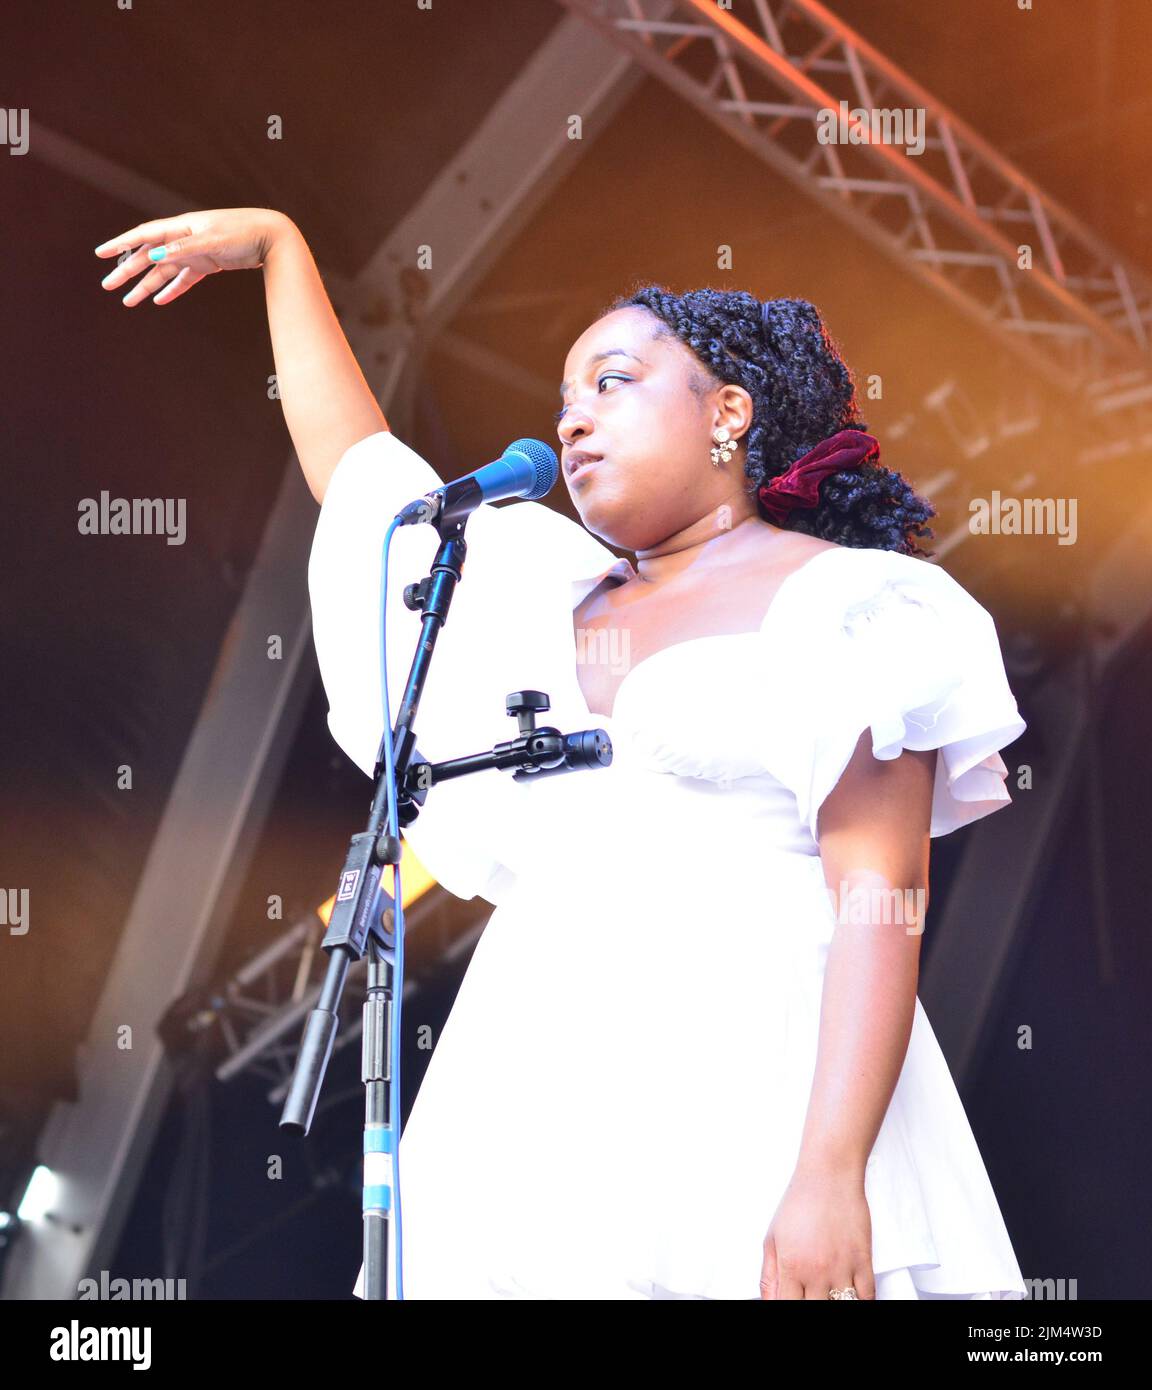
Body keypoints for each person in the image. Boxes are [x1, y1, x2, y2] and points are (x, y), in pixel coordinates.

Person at [96, 214, 1030, 1301]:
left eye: (614, 383)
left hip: (753, 1071)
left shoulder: (853, 602)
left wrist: (828, 1174)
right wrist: (282, 250)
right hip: (529, 1070)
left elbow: (880, 894)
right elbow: (363, 479)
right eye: (564, 403)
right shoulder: (537, 588)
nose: (576, 421)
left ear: (728, 410)